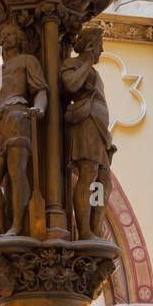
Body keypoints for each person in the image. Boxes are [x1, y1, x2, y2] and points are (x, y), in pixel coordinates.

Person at [0, 23, 48, 237]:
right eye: (4, 35)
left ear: (20, 39)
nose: (6, 38)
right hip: (1, 123)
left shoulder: (28, 61)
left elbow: (40, 90)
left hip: (19, 117)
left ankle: (18, 226)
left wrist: (39, 108)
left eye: (11, 35)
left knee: (17, 172)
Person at [62, 27, 115, 240]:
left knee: (104, 183)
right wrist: (87, 61)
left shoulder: (94, 72)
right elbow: (70, 85)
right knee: (88, 175)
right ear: (90, 45)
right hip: (86, 127)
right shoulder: (73, 65)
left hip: (99, 132)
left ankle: (95, 229)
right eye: (99, 45)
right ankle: (84, 232)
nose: (102, 50)